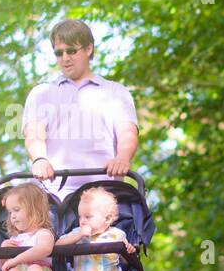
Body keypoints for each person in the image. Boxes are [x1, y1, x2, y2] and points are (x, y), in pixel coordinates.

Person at [23, 19, 139, 199]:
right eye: (59, 53)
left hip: (104, 195)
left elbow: (128, 132)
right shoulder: (41, 93)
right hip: (53, 196)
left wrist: (123, 157)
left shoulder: (116, 92)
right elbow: (34, 134)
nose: (65, 58)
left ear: (88, 49)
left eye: (71, 51)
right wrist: (39, 159)